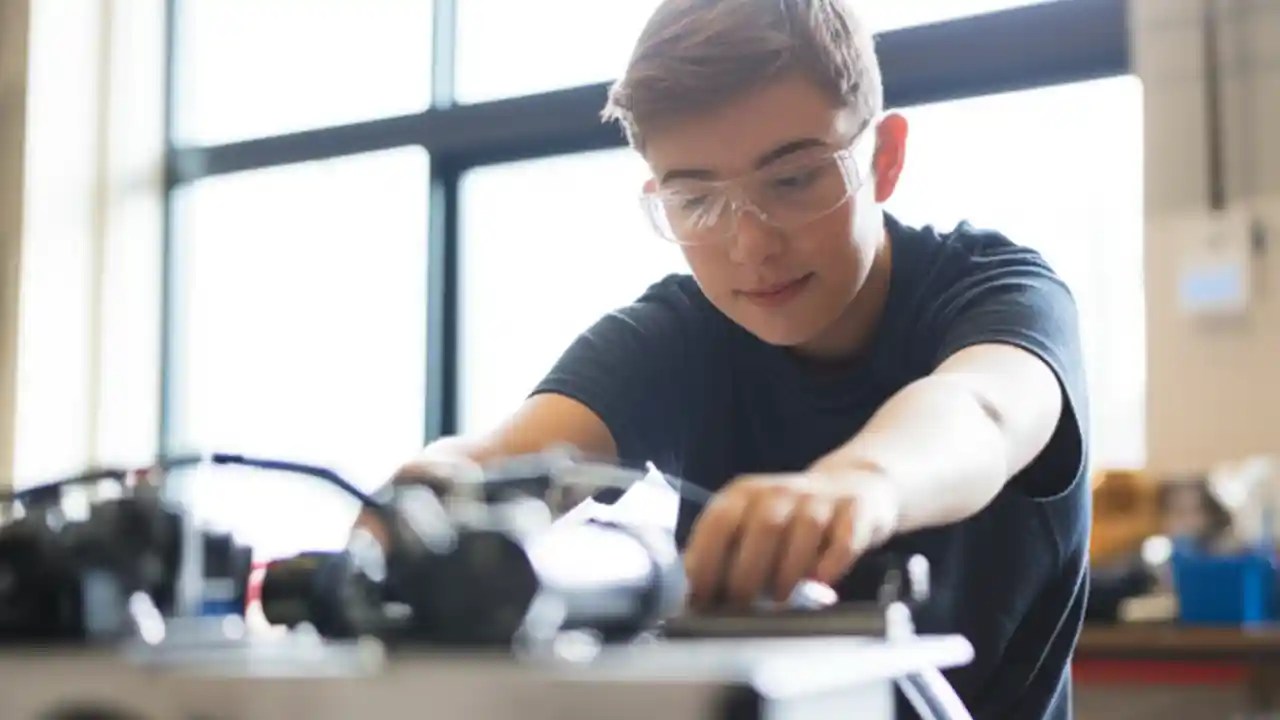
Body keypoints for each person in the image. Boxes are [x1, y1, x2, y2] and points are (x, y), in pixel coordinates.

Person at [382, 1, 1091, 717]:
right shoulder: (678, 333)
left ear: (883, 157)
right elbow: (510, 456)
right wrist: (435, 491)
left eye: (793, 180)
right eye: (696, 198)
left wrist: (859, 483)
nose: (750, 247)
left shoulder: (1001, 293)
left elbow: (983, 410)